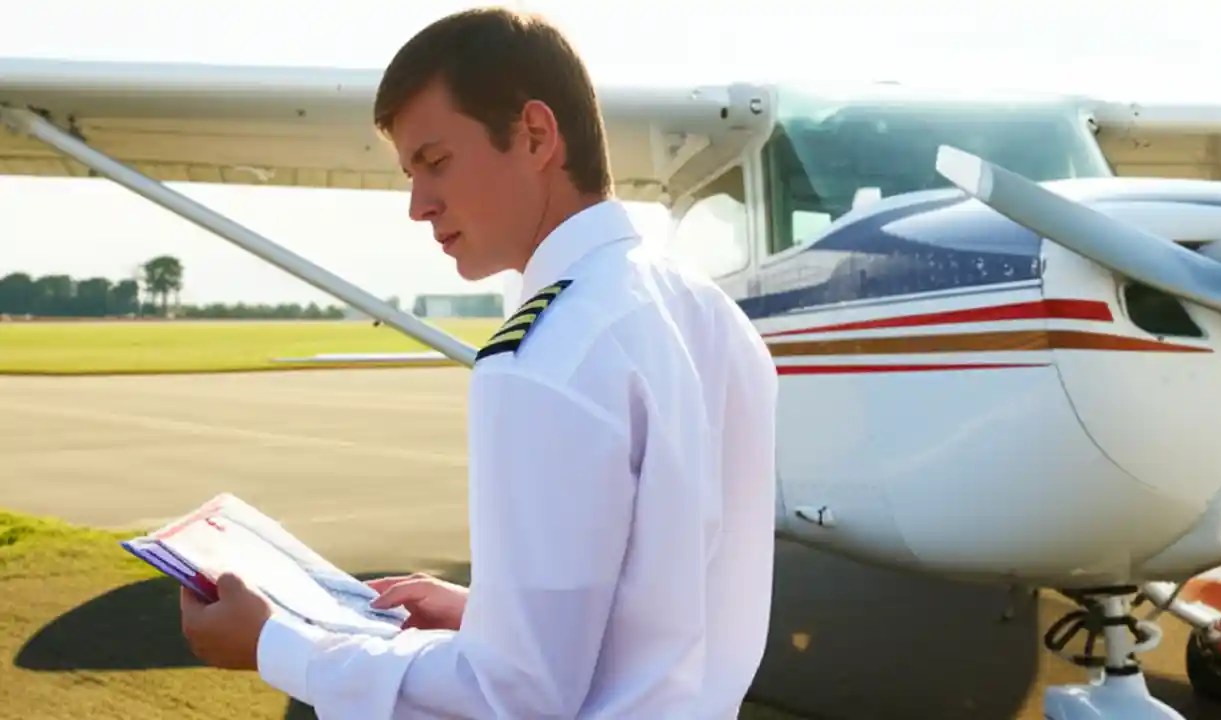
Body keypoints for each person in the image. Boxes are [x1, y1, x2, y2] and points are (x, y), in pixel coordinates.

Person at [177, 7, 778, 718]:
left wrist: (277, 646)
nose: (417, 205)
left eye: (435, 162)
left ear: (535, 135)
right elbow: (668, 619)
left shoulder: (543, 354)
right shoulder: (712, 315)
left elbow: (511, 697)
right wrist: (491, 612)